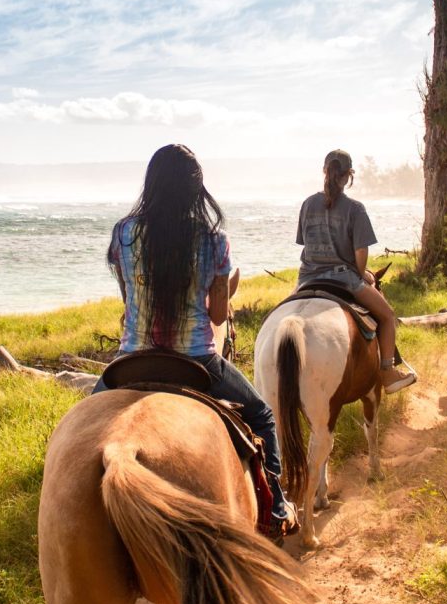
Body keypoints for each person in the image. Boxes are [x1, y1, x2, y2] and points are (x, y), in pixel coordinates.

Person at [94, 143, 297, 537]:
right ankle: (275, 507)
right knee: (262, 416)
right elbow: (219, 316)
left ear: (150, 184)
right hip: (197, 361)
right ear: (195, 189)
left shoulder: (124, 233)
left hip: (131, 359)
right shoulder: (213, 239)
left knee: (80, 428)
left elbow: (128, 301)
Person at [295, 149, 415, 393]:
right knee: (388, 316)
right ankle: (388, 372)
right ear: (348, 175)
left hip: (306, 279)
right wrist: (363, 275)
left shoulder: (308, 204)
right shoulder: (355, 209)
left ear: (324, 171)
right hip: (344, 279)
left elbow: (305, 244)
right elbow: (361, 254)